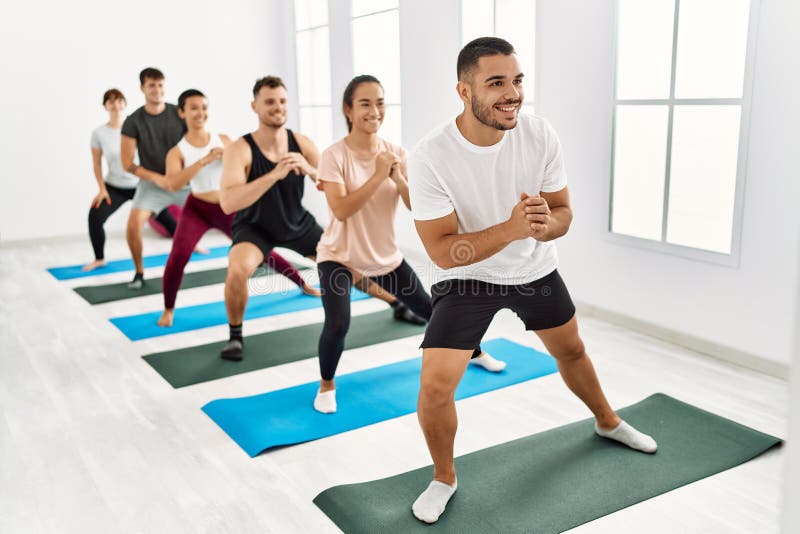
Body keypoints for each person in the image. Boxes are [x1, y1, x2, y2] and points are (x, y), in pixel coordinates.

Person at [407, 37, 657, 524]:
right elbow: (441, 250)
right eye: (496, 82)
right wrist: (512, 227)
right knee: (436, 386)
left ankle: (608, 421)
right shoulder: (431, 155)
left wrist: (546, 225)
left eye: (517, 80)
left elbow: (563, 212)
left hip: (534, 267)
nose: (511, 93)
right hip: (469, 277)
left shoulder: (539, 134)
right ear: (464, 90)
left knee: (572, 350)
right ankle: (443, 477)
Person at [313, 75, 506, 414]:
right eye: (365, 103)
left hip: (384, 258)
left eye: (380, 102)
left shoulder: (397, 153)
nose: (374, 110)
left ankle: (474, 352)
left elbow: (417, 205)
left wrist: (397, 177)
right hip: (338, 258)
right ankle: (326, 385)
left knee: (433, 311)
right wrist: (376, 176)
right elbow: (341, 210)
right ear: (348, 109)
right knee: (338, 322)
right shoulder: (334, 156)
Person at [157, 89, 319, 327]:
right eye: (193, 108)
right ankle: (168, 308)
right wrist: (204, 161)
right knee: (179, 255)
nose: (200, 113)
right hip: (197, 208)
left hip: (227, 208)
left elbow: (247, 168)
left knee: (262, 251)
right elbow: (173, 184)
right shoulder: (177, 151)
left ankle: (302, 283)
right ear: (181, 113)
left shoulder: (223, 140)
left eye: (204, 107)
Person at [120, 67, 190, 289]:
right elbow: (128, 163)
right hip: (152, 184)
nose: (157, 90)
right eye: (152, 85)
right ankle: (139, 273)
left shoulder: (179, 113)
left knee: (227, 214)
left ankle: (250, 260)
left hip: (183, 182)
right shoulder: (133, 121)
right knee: (133, 225)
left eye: (160, 85)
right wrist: (158, 179)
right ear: (142, 88)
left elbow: (195, 143)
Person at [83, 89, 140, 271]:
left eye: (119, 101)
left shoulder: (135, 127)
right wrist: (102, 189)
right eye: (111, 102)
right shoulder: (99, 133)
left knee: (166, 216)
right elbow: (97, 164)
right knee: (95, 217)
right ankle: (99, 258)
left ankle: (191, 245)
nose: (116, 105)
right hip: (114, 186)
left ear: (124, 103)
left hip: (140, 185)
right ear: (105, 106)